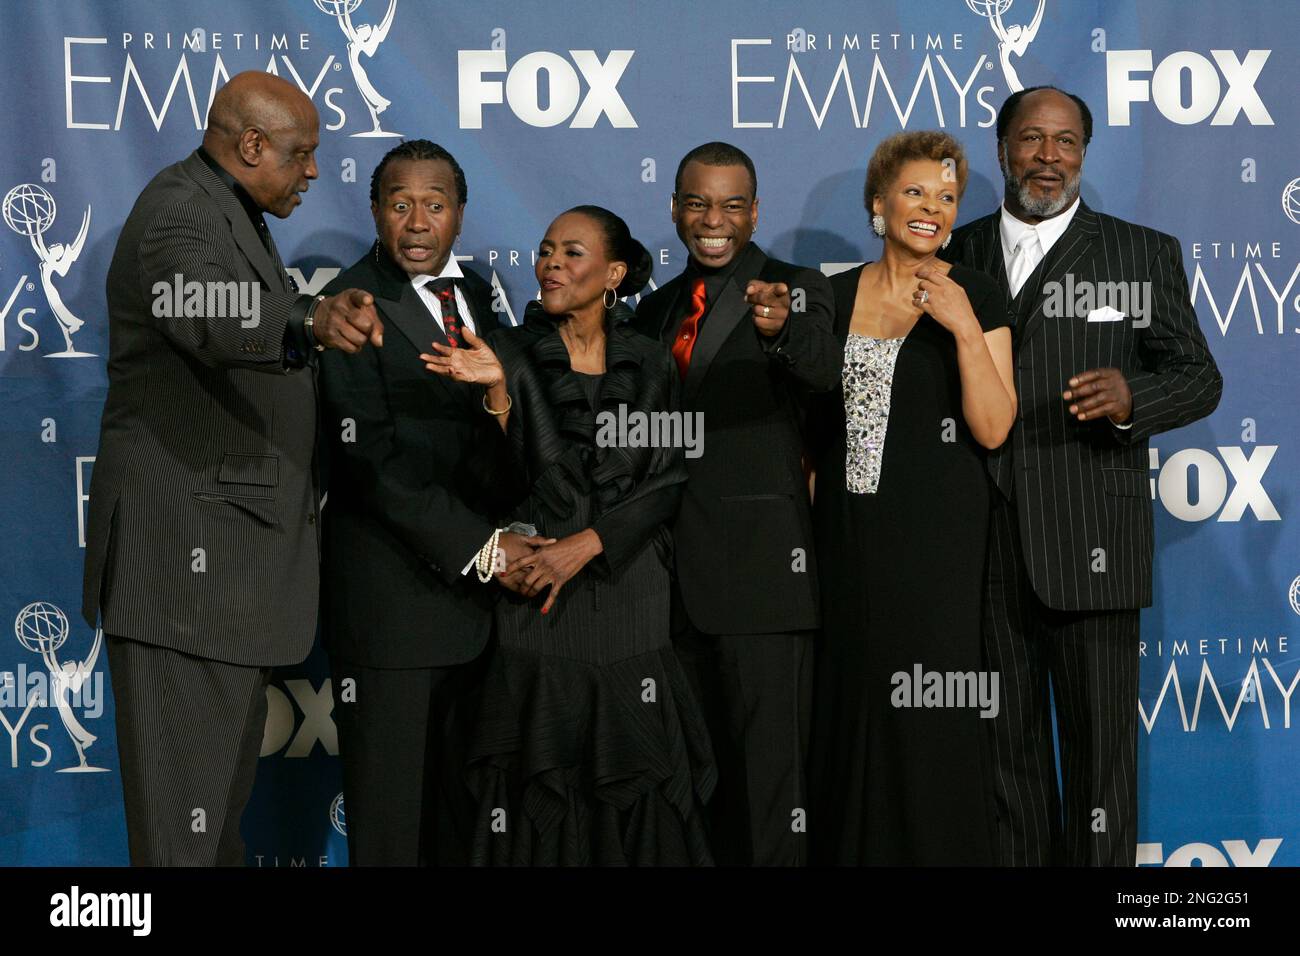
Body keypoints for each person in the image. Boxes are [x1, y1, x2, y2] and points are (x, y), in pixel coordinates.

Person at [81, 71, 384, 865]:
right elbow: (201, 307)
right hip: (185, 575)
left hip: (223, 577)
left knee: (210, 834)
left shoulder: (227, 210)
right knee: (183, 843)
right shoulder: (181, 209)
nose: (313, 171)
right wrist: (308, 316)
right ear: (251, 144)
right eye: (301, 153)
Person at [943, 86, 1222, 866]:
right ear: (1002, 148)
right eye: (1031, 138)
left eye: (1066, 141)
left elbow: (1200, 378)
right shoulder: (953, 255)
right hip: (981, 542)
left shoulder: (1139, 253)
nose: (1048, 156)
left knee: (1102, 760)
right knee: (1004, 759)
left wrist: (1135, 397)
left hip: (1092, 532)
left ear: (1084, 154)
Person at [422, 206, 715, 865]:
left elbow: (668, 480)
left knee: (636, 782)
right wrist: (499, 400)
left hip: (629, 593)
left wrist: (588, 545)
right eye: (546, 250)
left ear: (614, 274)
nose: (551, 263)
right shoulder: (503, 352)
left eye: (572, 252)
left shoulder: (652, 361)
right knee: (535, 783)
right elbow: (490, 486)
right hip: (534, 593)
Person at [318, 140, 548, 865]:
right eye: (400, 204)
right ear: (375, 212)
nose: (417, 222)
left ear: (460, 214)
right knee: (391, 829)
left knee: (463, 828)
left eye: (435, 205)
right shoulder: (352, 305)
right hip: (393, 615)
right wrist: (486, 549)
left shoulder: (479, 296)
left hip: (480, 618)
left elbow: (499, 442)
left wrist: (503, 405)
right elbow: (370, 464)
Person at [805, 131, 1016, 865]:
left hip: (937, 544)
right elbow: (811, 437)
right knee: (852, 700)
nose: (932, 208)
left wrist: (962, 328)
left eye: (947, 197)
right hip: (846, 535)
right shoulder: (831, 298)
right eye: (916, 192)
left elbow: (994, 427)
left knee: (929, 707)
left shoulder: (976, 293)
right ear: (879, 203)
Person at [632, 143, 840, 866]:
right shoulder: (655, 309)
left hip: (763, 581)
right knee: (697, 787)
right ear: (674, 209)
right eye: (697, 204)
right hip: (666, 587)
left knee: (773, 790)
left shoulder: (796, 288)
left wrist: (780, 333)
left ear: (755, 213)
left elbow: (825, 372)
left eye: (730, 206)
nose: (712, 221)